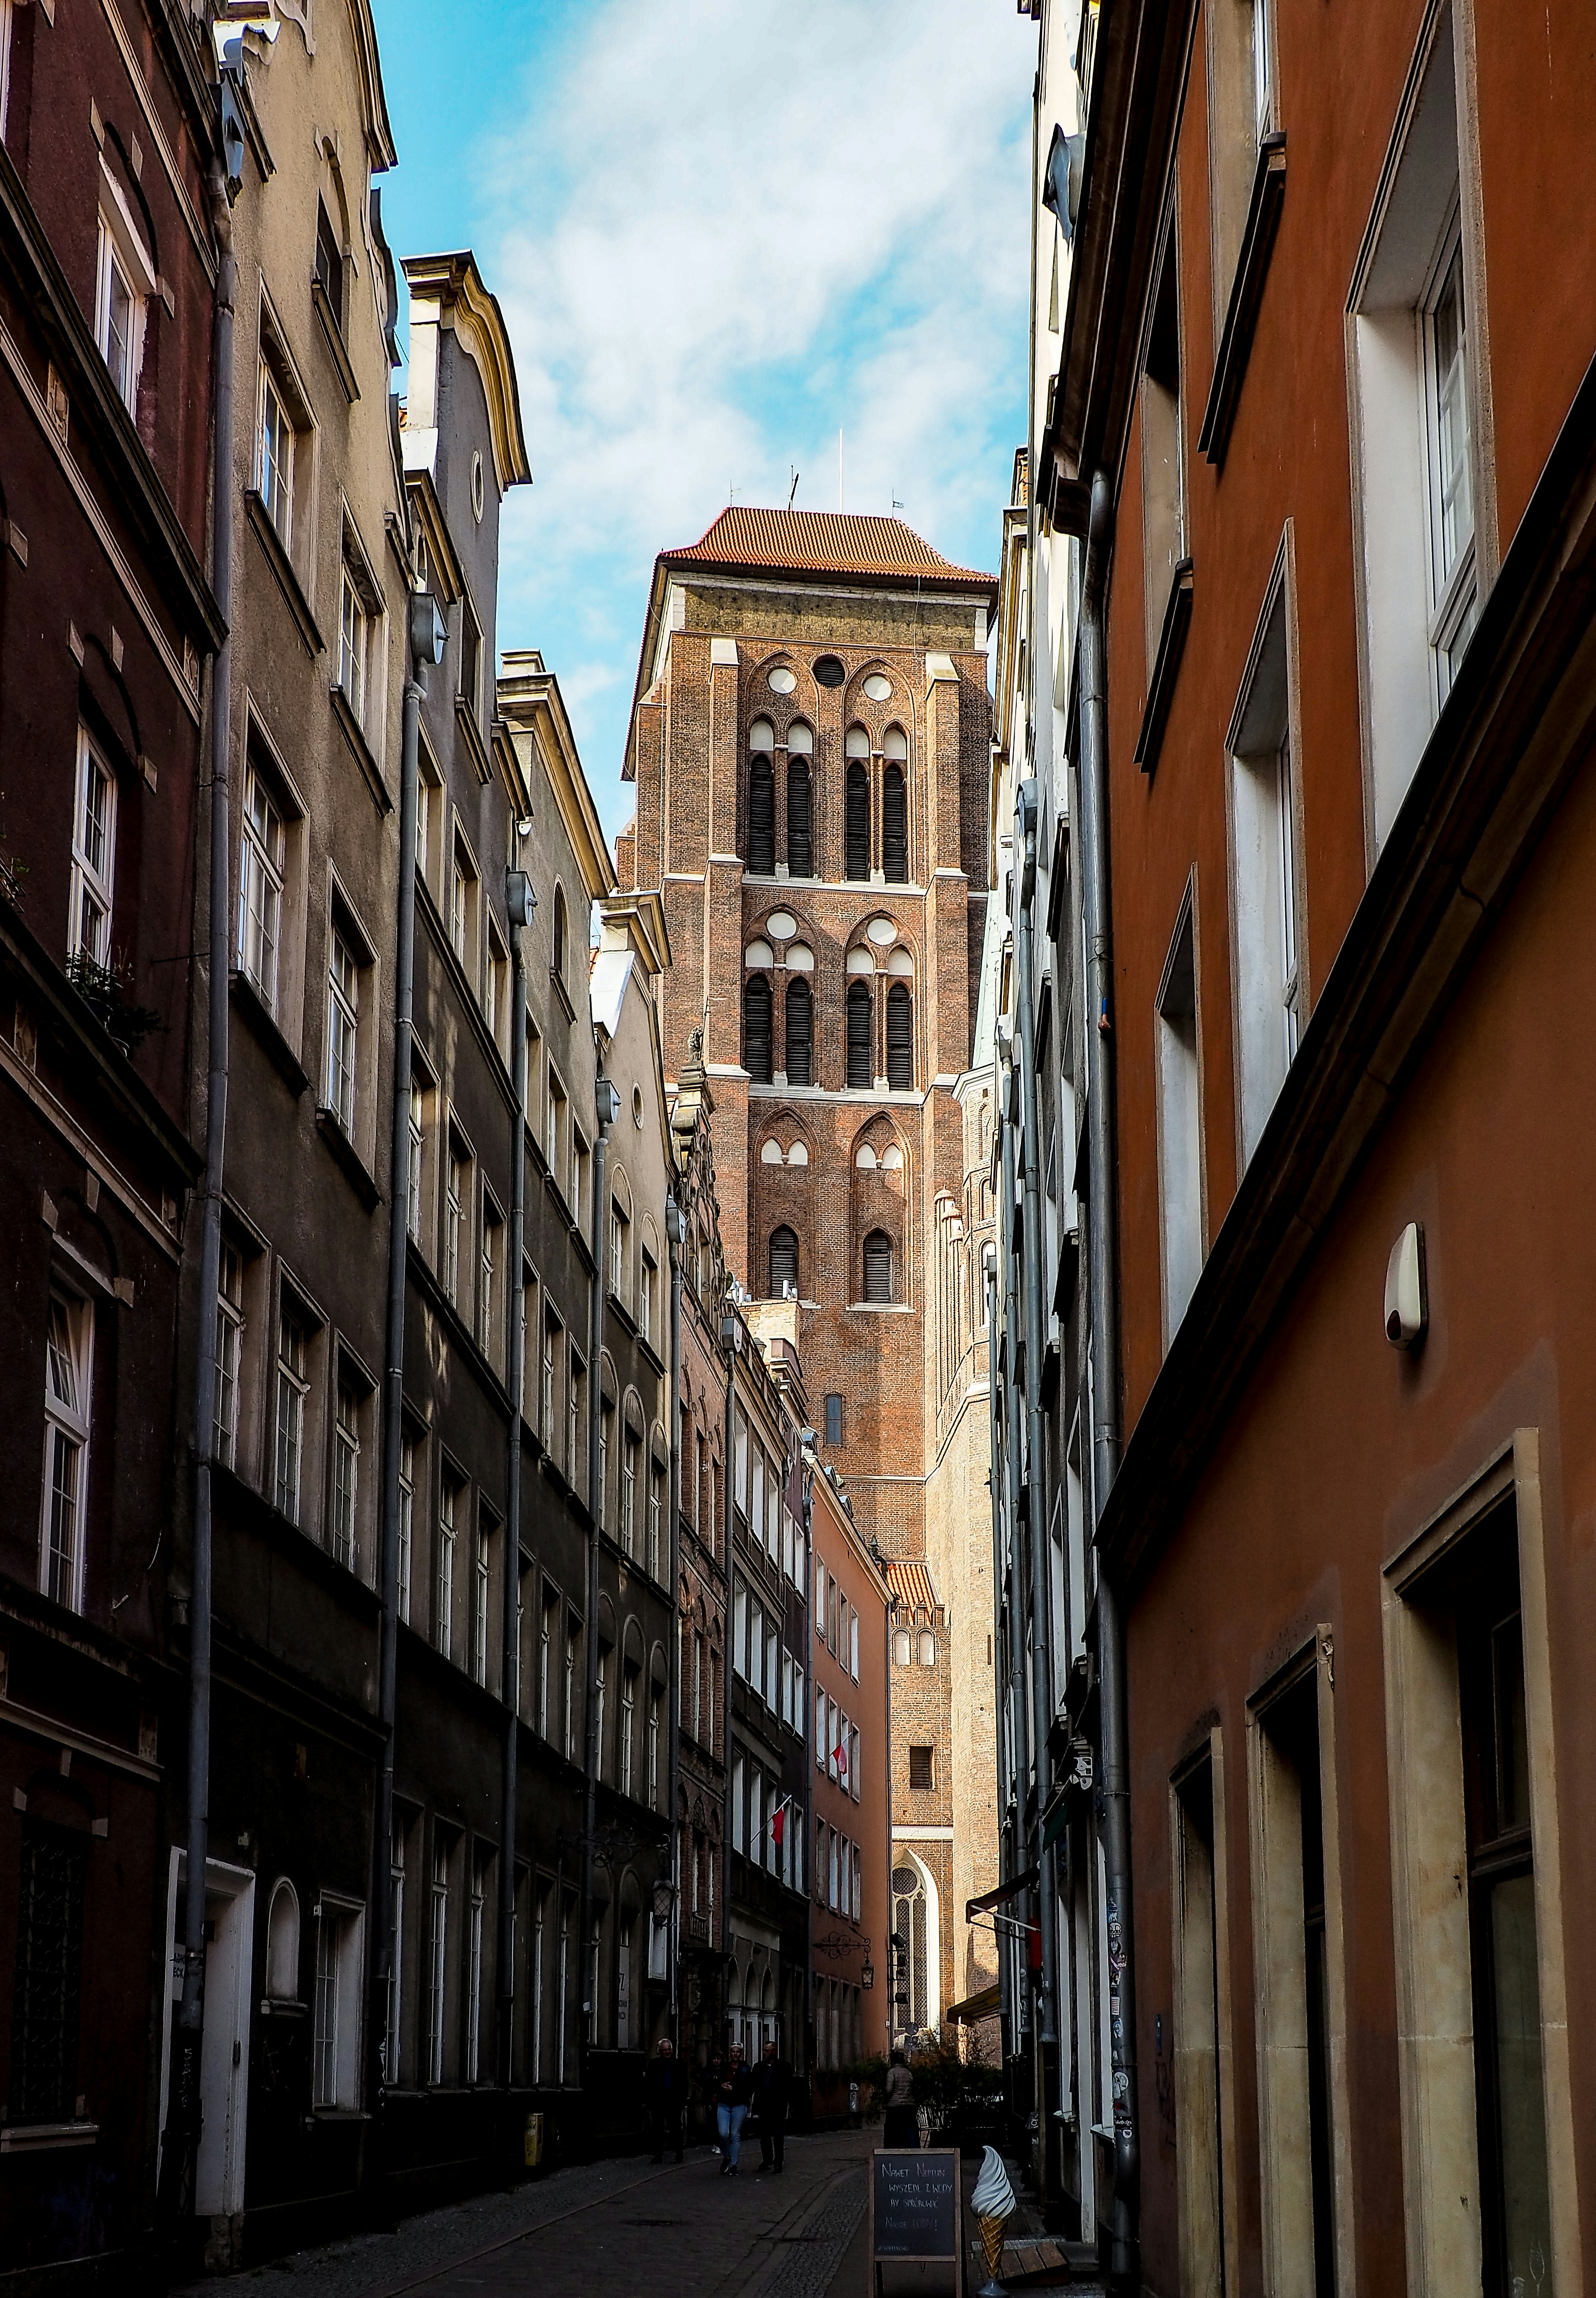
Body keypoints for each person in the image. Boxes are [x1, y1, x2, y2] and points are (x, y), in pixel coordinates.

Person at [642, 2035, 687, 2163]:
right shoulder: (654, 2064)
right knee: (657, 2129)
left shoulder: (679, 2064)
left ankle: (679, 2153)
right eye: (664, 2050)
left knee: (676, 2128)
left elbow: (684, 2083)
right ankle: (658, 2155)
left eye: (669, 2050)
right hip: (658, 2102)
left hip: (674, 2102)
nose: (667, 2052)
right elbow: (648, 2084)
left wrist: (683, 2101)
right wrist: (646, 2101)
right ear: (660, 2051)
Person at [750, 2039, 792, 2172]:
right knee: (764, 2135)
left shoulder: (785, 2067)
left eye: (768, 2051)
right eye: (764, 2050)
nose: (765, 2053)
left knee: (778, 2135)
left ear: (774, 2052)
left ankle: (779, 2161)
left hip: (778, 2105)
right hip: (763, 2104)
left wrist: (789, 2104)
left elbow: (789, 2087)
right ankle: (767, 2159)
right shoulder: (758, 2067)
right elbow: (754, 2086)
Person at [714, 2044, 754, 2175]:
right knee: (723, 2133)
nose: (735, 2054)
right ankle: (727, 2156)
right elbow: (715, 2083)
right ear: (730, 2053)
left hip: (739, 2105)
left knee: (735, 2134)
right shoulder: (723, 2068)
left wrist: (734, 2090)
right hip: (724, 2104)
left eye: (738, 2052)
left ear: (741, 2054)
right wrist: (721, 2085)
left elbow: (749, 2089)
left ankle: (734, 2165)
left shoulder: (746, 2070)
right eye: (733, 2052)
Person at [881, 2048, 918, 2150]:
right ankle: (912, 2151)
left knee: (893, 2132)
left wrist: (885, 2101)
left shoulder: (892, 2073)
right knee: (909, 2131)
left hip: (894, 2108)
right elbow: (914, 2090)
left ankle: (893, 2151)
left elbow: (889, 2090)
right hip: (909, 2107)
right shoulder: (909, 2072)